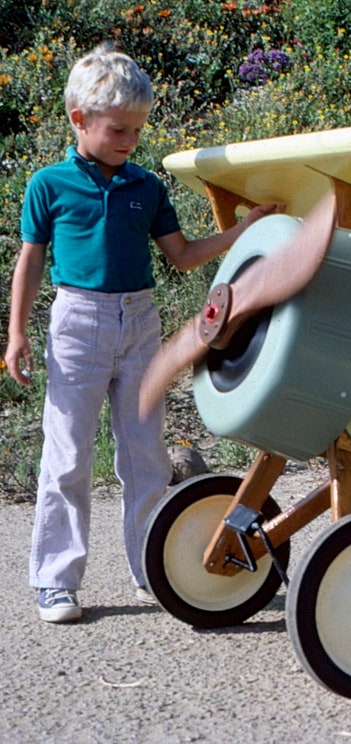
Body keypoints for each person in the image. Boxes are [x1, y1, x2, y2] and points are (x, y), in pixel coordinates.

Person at [3, 43, 277, 623]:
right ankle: (56, 581)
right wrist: (17, 334)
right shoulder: (48, 184)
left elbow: (179, 256)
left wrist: (242, 232)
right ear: (79, 119)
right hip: (77, 322)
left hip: (140, 321)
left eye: (137, 130)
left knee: (146, 453)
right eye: (118, 130)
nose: (129, 141)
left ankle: (153, 567)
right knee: (68, 455)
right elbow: (29, 262)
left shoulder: (146, 186)